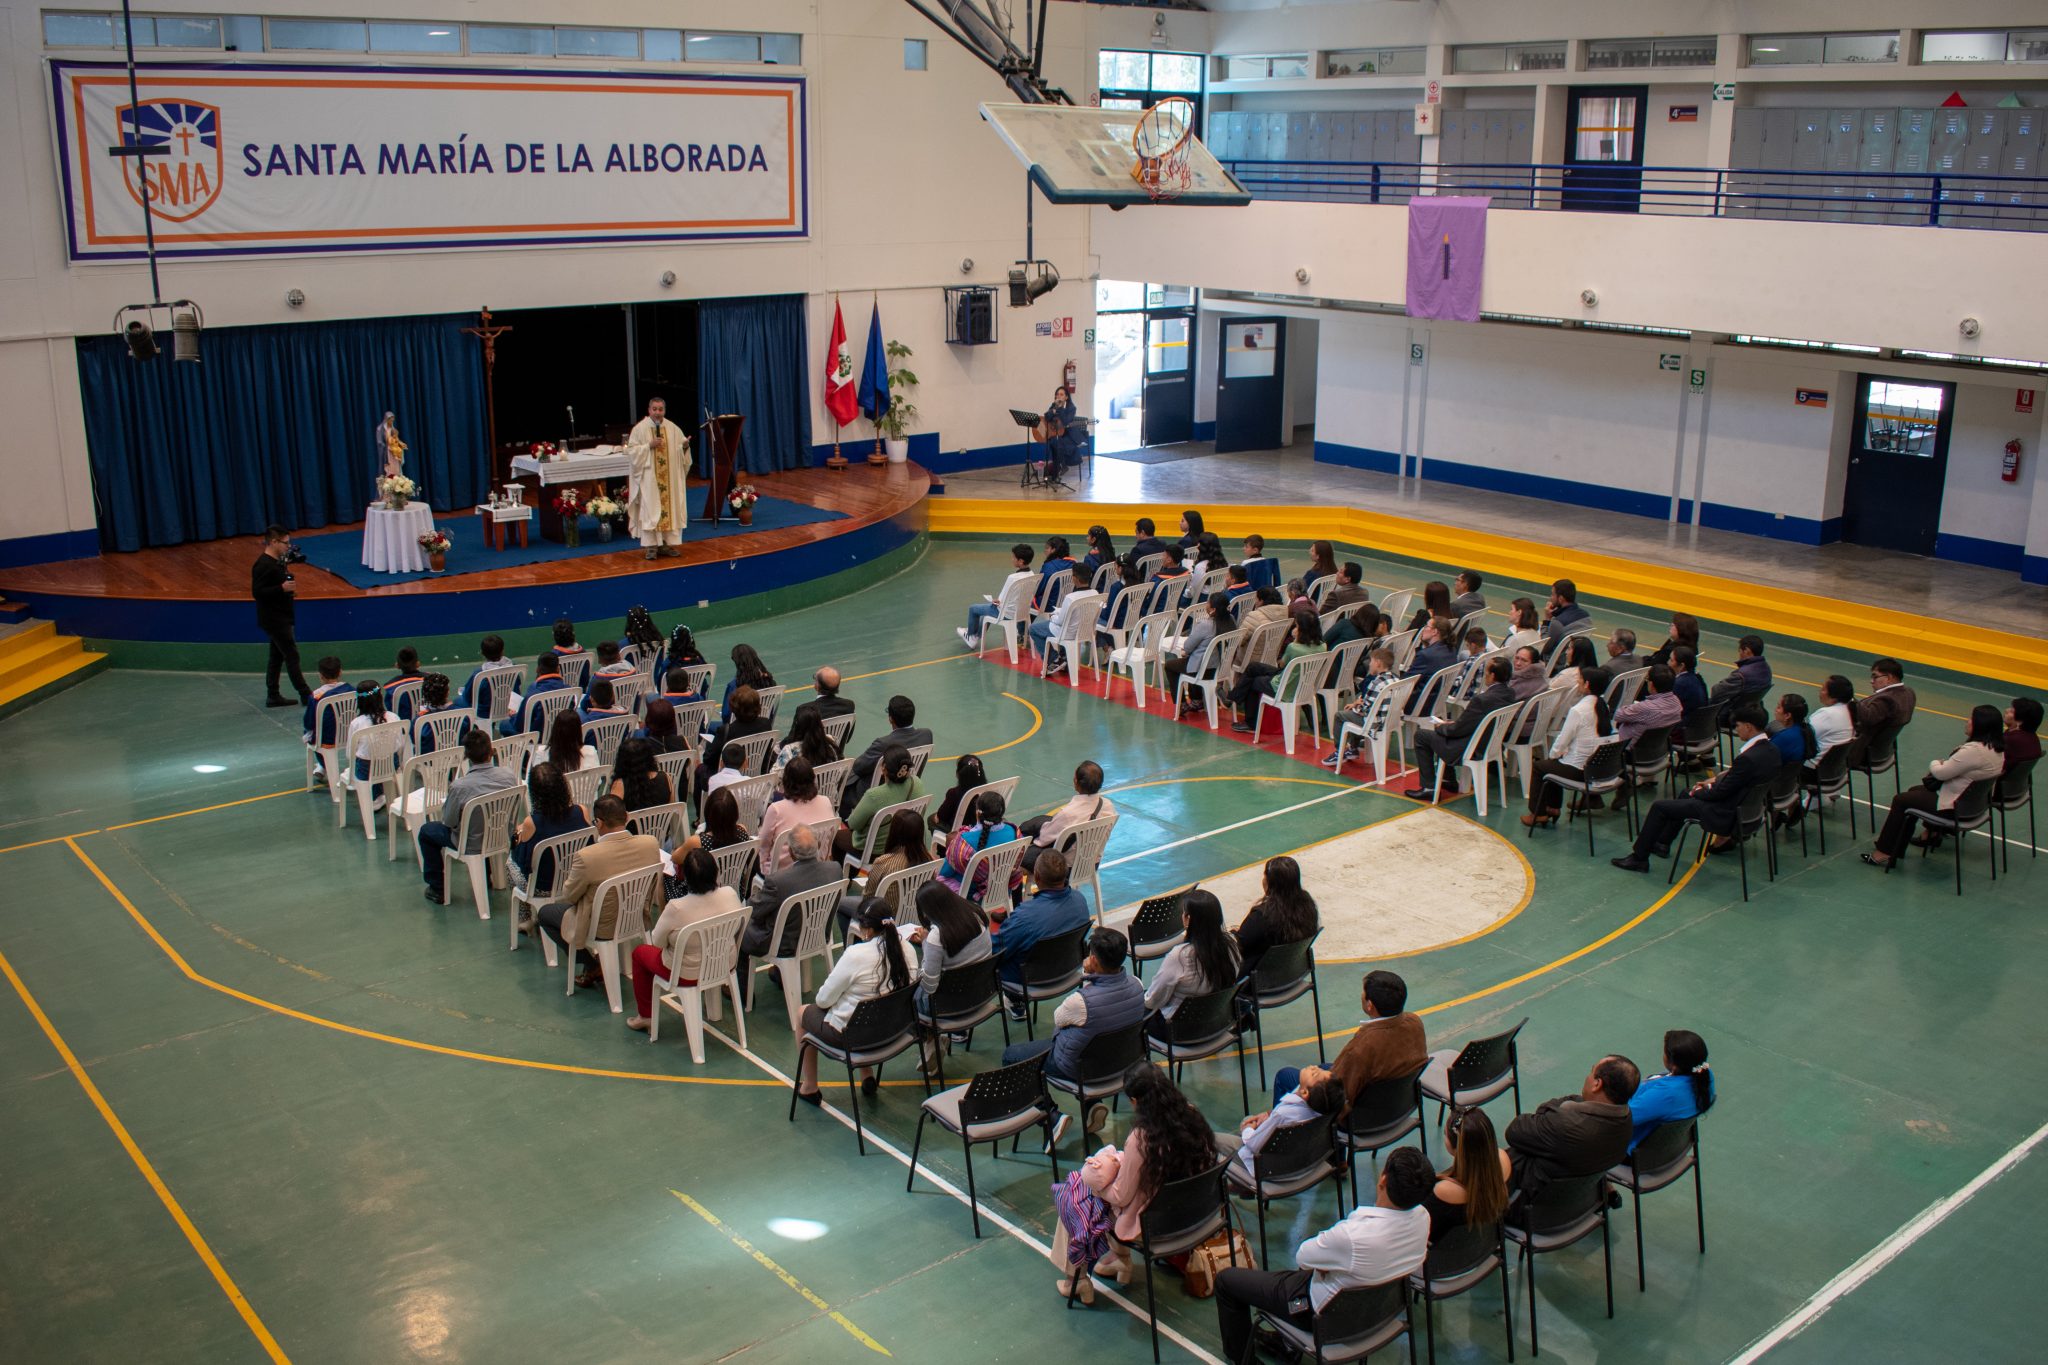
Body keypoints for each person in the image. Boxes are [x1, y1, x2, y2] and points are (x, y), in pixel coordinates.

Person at [1213, 1147, 1433, 1362]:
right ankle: (1288, 1343)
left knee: (1227, 1281)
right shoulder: (1423, 1219)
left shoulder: (1352, 1237)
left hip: (1317, 1315)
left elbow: (1303, 1256)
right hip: (1377, 1313)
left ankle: (1242, 1358)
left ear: (1382, 1181)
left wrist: (1328, 1264)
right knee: (1301, 1279)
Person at [1083, 1066, 1225, 1290]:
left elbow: (1120, 1196)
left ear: (1135, 1101)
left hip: (1157, 1226)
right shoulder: (1192, 1115)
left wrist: (1096, 1186)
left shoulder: (1141, 1139)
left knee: (1082, 1194)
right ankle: (1118, 1259)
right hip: (1198, 1213)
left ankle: (1084, 1276)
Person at [1611, 703, 1782, 870]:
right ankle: (1662, 843)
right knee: (1686, 793)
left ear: (1748, 726)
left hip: (1726, 812)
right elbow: (1739, 780)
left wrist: (1700, 791)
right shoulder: (1772, 750)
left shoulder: (1747, 758)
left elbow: (1721, 793)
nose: (1737, 730)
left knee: (1659, 807)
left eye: (1738, 726)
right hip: (1748, 810)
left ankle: (1639, 857)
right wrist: (1710, 784)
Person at [793, 897, 915, 1104]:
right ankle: (866, 1075)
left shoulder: (855, 955)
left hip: (855, 1037)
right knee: (867, 1008)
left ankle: (809, 1086)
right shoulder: (908, 948)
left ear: (865, 929)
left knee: (802, 1013)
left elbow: (822, 1000)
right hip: (894, 1029)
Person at [1861, 704, 2004, 868]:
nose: (1967, 721)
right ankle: (1895, 847)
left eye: (1971, 718)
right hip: (1973, 805)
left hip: (1954, 806)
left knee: (1901, 800)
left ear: (1980, 725)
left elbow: (1941, 773)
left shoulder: (1974, 751)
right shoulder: (1997, 750)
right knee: (1914, 792)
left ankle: (1884, 853)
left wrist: (1935, 762)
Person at [625, 845, 742, 1032]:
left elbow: (657, 942)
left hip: (687, 973)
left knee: (640, 953)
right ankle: (714, 1011)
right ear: (716, 872)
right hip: (724, 963)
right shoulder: (730, 894)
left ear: (685, 877)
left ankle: (645, 1016)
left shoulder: (677, 907)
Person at [1286, 969, 1428, 1118]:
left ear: (1369, 1005)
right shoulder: (1415, 1022)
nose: (1361, 994)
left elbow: (1335, 1096)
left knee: (1286, 1076)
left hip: (1360, 1120)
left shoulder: (1362, 1047)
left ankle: (1277, 1126)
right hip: (1400, 1107)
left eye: (1363, 992)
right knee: (1322, 1068)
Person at [1506, 1055, 1639, 1199]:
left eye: (1591, 1071)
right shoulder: (1626, 1119)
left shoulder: (1566, 1125)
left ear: (1597, 1084)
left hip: (1534, 1205)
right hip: (1582, 1201)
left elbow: (1515, 1130)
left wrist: (1560, 1110)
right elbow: (1574, 1099)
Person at [417, 729, 517, 904]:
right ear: (491, 750)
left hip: (471, 842)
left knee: (427, 831)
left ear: (467, 756)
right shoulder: (509, 776)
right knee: (482, 821)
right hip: (501, 835)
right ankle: (486, 876)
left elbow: (448, 821)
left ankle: (437, 888)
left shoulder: (460, 786)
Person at [738, 824, 844, 985]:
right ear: (819, 845)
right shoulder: (835, 869)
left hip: (785, 945)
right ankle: (781, 974)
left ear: (792, 853)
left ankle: (741, 991)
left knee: (740, 927)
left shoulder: (778, 881)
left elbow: (754, 910)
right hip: (819, 935)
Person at [908, 880, 993, 1069]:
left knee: (908, 996)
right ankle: (940, 1038)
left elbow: (929, 986)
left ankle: (931, 1039)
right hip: (981, 994)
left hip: (949, 1006)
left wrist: (924, 947)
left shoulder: (937, 937)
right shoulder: (976, 913)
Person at [1407, 655, 1515, 801]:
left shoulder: (1481, 700)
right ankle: (1448, 779)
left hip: (1471, 746)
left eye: (1486, 672)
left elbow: (1457, 730)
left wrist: (1441, 727)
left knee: (1422, 736)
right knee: (1444, 733)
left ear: (1493, 675)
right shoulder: (1510, 694)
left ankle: (1429, 787)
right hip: (1490, 743)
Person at [1141, 888, 1240, 1039]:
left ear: (1188, 919)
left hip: (1180, 1031)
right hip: (1218, 1022)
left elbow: (1153, 1000)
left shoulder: (1179, 956)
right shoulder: (1231, 944)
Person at [1522, 666, 1614, 826]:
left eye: (1579, 679)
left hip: (1580, 769)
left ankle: (1539, 813)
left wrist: (1553, 756)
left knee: (1541, 767)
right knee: (1554, 763)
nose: (1577, 681)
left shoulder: (1578, 710)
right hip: (1598, 766)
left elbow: (1562, 741)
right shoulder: (1603, 706)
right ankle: (1553, 807)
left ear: (1587, 684)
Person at [988, 849, 1089, 993]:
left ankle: (1016, 1003)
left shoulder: (1025, 916)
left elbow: (996, 950)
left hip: (1030, 978)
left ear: (1037, 877)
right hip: (1069, 967)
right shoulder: (1080, 900)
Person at [1215, 1069, 1347, 1177]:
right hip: (1302, 1162)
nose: (1314, 1067)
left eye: (1314, 1073)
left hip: (1267, 1168)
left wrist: (1247, 1129)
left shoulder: (1282, 1114)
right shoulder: (1325, 1108)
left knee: (1217, 1137)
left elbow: (1253, 1145)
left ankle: (1241, 1187)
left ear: (1305, 1092)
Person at [1228, 607, 1322, 733]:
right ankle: (1233, 697)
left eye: (1297, 626)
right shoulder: (1322, 646)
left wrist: (1295, 640)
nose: (1294, 629)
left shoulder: (1294, 647)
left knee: (1252, 681)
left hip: (1285, 687)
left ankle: (1250, 722)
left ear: (1302, 630)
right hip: (1302, 683)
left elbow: (1282, 665)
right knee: (1253, 667)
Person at [1423, 1107, 1511, 1240]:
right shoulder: (1502, 1159)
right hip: (1484, 1246)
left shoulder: (1443, 1190)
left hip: (1451, 1254)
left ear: (1457, 1148)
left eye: (1445, 1134)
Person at [509, 761, 590, 900]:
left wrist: (517, 837)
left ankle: (524, 916)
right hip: (576, 879)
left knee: (510, 863)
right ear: (562, 786)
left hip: (544, 887)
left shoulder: (532, 822)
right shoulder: (582, 811)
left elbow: (525, 864)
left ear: (534, 792)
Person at [252, 525, 311, 708]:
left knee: (276, 656)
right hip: (275, 619)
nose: (288, 546)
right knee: (291, 656)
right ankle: (305, 694)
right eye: (285, 543)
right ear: (274, 542)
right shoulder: (263, 565)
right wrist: (281, 589)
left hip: (281, 615)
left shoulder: (277, 562)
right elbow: (258, 592)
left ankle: (273, 694)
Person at [1628, 1029, 1716, 1152]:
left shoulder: (1667, 1094)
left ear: (1673, 1064)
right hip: (1670, 1151)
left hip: (1634, 1153)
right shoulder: (1705, 1076)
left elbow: (1622, 1119)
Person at [1232, 856, 1318, 979]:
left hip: (1261, 983)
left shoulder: (1262, 916)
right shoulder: (1308, 906)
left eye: (1265, 876)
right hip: (1294, 974)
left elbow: (1240, 946)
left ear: (1270, 882)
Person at [626, 394, 689, 559]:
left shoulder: (673, 428)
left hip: (669, 480)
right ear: (649, 410)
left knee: (670, 508)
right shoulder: (639, 429)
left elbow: (681, 450)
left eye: (660, 409)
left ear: (664, 410)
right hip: (649, 480)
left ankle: (667, 545)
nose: (658, 413)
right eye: (654, 409)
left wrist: (685, 447)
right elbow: (631, 452)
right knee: (650, 509)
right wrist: (649, 446)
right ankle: (651, 547)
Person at [1021, 760, 1114, 870]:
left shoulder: (1068, 813)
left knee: (1020, 855)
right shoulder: (1108, 806)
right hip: (1091, 864)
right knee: (1041, 821)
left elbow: (1044, 839)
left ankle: (1015, 836)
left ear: (1076, 782)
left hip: (1064, 868)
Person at [844, 694, 932, 812]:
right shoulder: (926, 735)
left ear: (891, 718)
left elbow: (859, 767)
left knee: (844, 787)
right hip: (908, 786)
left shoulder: (883, 744)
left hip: (882, 790)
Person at [756, 757, 838, 875]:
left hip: (780, 872)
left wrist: (763, 865)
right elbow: (829, 840)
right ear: (812, 779)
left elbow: (763, 844)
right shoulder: (826, 802)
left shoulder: (776, 809)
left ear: (786, 781)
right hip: (817, 865)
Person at [1321, 647, 1399, 769]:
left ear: (1378, 663)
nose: (1370, 664)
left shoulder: (1376, 683)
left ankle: (1340, 751)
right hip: (1390, 720)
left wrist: (1355, 707)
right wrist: (1358, 704)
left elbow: (1365, 711)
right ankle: (1352, 748)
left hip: (1374, 723)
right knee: (1353, 713)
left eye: (1371, 661)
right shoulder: (1395, 678)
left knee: (1341, 715)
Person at [942, 789, 1023, 903]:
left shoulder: (964, 841)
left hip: (973, 893)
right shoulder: (1014, 831)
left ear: (978, 813)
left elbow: (945, 872)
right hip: (1003, 888)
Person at [847, 745, 925, 858]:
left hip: (875, 850)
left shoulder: (874, 795)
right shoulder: (917, 783)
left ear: (883, 768)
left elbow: (853, 824)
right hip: (905, 845)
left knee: (838, 839)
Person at [1845, 658, 1918, 769]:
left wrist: (1850, 699)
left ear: (1888, 678)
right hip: (1884, 752)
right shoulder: (1909, 693)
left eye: (1875, 676)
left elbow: (1867, 718)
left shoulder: (1886, 699)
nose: (1871, 681)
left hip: (1863, 754)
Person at [1163, 593, 1231, 710]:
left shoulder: (1206, 625)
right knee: (1191, 660)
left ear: (1213, 609)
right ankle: (1196, 700)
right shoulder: (1230, 621)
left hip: (1204, 669)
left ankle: (1182, 704)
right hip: (1221, 667)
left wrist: (1186, 651)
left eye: (1208, 603)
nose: (1206, 604)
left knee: (1170, 666)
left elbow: (1188, 646)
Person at [961, 543, 1035, 649]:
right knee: (987, 611)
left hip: (1006, 614)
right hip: (1022, 612)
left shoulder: (1013, 578)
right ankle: (975, 635)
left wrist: (996, 601)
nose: (1012, 559)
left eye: (1013, 557)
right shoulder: (1032, 575)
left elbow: (1000, 600)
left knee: (974, 608)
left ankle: (971, 636)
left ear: (1021, 561)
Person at [862, 810, 934, 914]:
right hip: (916, 917)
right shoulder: (928, 859)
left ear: (893, 831)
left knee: (843, 904)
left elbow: (868, 897)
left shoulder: (883, 862)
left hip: (884, 918)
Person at [702, 685, 770, 781]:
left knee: (699, 770)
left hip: (729, 779)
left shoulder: (726, 731)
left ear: (733, 708)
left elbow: (709, 759)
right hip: (758, 773)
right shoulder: (766, 724)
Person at [343, 683, 392, 808]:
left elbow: (350, 754)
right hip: (392, 763)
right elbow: (400, 745)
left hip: (367, 769)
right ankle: (380, 793)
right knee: (378, 759)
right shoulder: (394, 717)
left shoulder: (357, 723)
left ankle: (375, 797)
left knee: (366, 761)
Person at [501, 651, 568, 738]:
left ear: (537, 670)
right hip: (561, 733)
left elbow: (520, 726)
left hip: (537, 737)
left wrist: (514, 716)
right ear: (558, 669)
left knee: (504, 724)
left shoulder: (533, 693)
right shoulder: (568, 689)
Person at [1616, 665, 1682, 745]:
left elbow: (1618, 715)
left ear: (1651, 684)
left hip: (1630, 749)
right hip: (1657, 748)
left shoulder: (1644, 708)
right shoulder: (1677, 703)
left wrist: (1630, 707)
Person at [1708, 635, 1773, 715]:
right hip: (1751, 711)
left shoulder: (1741, 675)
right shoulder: (1767, 669)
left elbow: (1716, 693)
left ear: (1746, 650)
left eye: (1740, 650)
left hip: (1731, 714)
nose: (1739, 654)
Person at [302, 655, 352, 756]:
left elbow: (309, 723)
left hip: (327, 739)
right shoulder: (352, 690)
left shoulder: (316, 696)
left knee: (308, 734)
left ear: (320, 676)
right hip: (350, 733)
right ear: (340, 672)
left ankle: (323, 765)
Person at [608, 736, 672, 813]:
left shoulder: (620, 785)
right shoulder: (665, 777)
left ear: (622, 761)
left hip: (631, 825)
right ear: (649, 758)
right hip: (662, 825)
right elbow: (672, 809)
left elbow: (613, 818)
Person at [409, 673, 469, 753]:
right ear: (447, 692)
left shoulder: (419, 721)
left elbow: (414, 741)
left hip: (429, 762)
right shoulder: (462, 714)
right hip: (457, 757)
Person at [454, 634, 512, 714]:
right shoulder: (513, 667)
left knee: (458, 700)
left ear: (482, 653)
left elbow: (468, 696)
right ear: (503, 650)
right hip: (508, 707)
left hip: (484, 711)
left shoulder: (479, 673)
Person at [775, 702, 842, 772]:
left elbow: (775, 777)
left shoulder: (789, 750)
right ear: (820, 724)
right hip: (829, 782)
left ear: (798, 726)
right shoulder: (830, 744)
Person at [929, 754, 987, 835]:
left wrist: (937, 816)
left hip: (961, 832)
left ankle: (944, 846)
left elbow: (942, 816)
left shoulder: (954, 793)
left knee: (932, 819)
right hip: (983, 827)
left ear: (958, 774)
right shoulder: (988, 791)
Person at [1808, 675, 1856, 766]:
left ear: (1833, 697)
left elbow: (1804, 738)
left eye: (1823, 689)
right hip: (1834, 769)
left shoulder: (1826, 714)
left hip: (1812, 769)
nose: (1820, 691)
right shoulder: (1850, 711)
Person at [543, 708, 596, 775]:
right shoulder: (591, 751)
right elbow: (598, 781)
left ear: (555, 730)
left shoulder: (542, 753)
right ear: (578, 731)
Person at [1771, 693, 1818, 767]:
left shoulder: (1784, 737)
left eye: (1779, 707)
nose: (1776, 709)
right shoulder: (1805, 730)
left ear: (1787, 715)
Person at [1541, 578, 1591, 647]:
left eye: (1553, 594)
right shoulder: (1586, 616)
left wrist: (1546, 621)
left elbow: (1544, 645)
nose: (1551, 598)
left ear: (1560, 599)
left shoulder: (1558, 622)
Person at [1670, 646, 1708, 716]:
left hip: (1684, 722)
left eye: (1671, 660)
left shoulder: (1679, 684)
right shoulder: (1697, 678)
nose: (1668, 663)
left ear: (1681, 666)